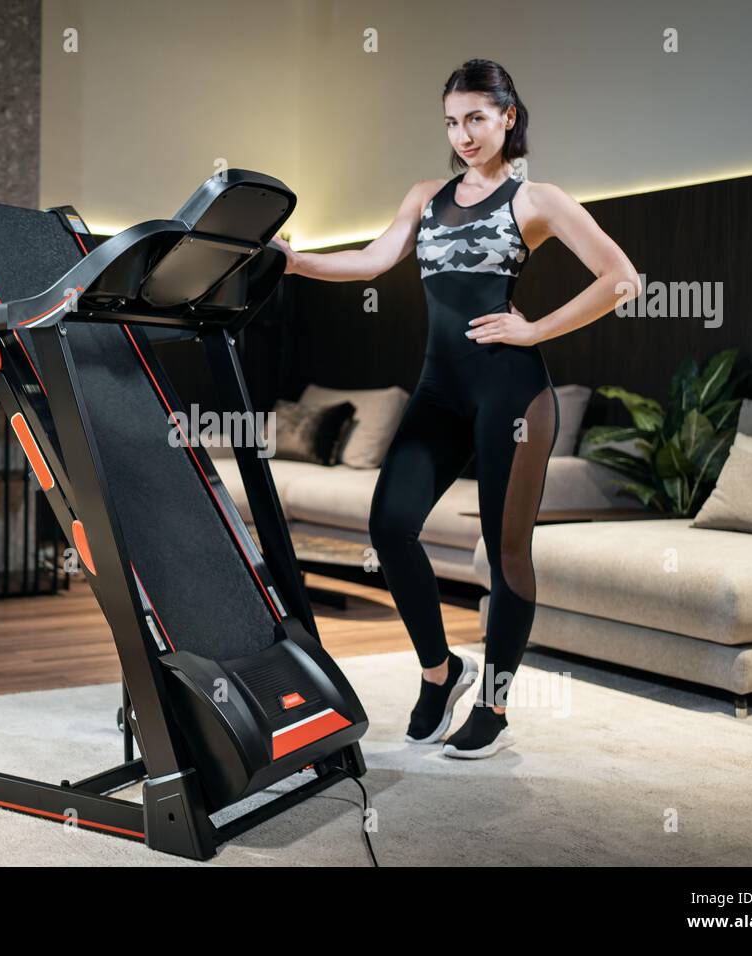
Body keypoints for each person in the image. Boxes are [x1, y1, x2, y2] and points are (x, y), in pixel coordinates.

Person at [271, 58, 641, 758]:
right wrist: (300, 262)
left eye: (476, 117)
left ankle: (495, 708)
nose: (463, 134)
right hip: (439, 390)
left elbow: (621, 279)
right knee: (390, 524)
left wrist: (534, 329)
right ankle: (440, 674)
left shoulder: (538, 200)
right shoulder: (426, 194)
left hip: (512, 392)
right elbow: (375, 260)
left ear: (507, 116)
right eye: (452, 120)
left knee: (505, 555)